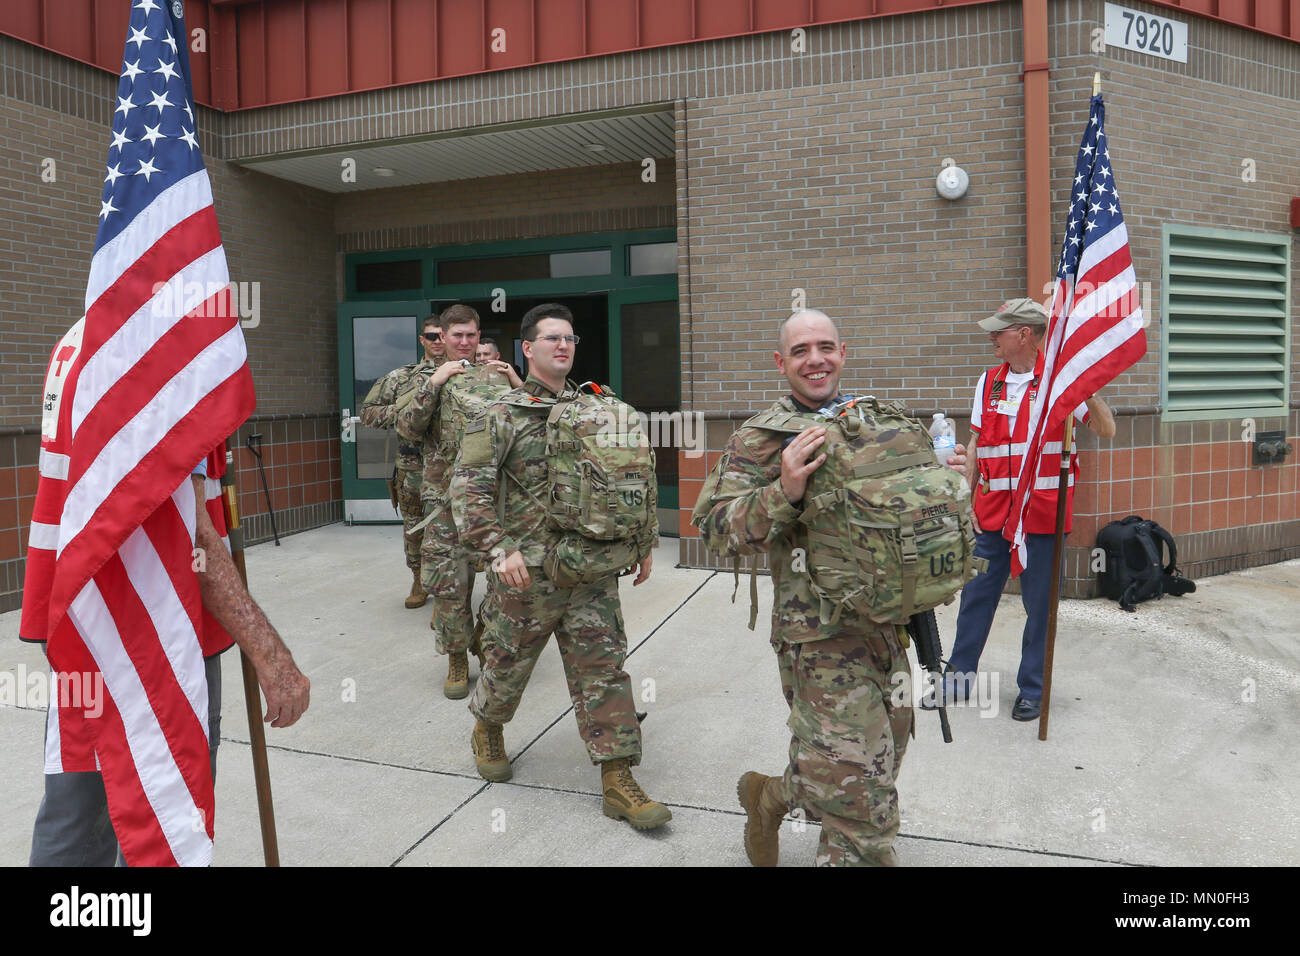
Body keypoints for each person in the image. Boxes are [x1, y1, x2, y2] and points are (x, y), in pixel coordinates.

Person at [24, 319, 310, 866]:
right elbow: (188, 537)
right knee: (158, 798)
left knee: (83, 793)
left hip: (86, 611)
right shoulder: (156, 352)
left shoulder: (86, 333)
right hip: (153, 621)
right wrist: (271, 654)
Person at [691, 309, 968, 867]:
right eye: (800, 351)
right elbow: (714, 527)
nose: (815, 360)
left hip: (889, 625)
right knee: (859, 789)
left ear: (843, 352)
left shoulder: (877, 422)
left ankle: (769, 797)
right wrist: (784, 490)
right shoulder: (762, 439)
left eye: (825, 348)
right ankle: (858, 848)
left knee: (878, 758)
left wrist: (950, 482)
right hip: (816, 637)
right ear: (781, 363)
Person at [451, 302, 669, 830]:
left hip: (590, 570)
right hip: (527, 575)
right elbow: (468, 487)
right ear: (528, 349)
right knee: (507, 666)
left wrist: (642, 541)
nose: (564, 346)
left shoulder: (599, 408)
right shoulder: (500, 414)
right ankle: (488, 727)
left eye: (569, 338)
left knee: (605, 672)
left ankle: (618, 778)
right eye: (552, 339)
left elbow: (629, 480)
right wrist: (498, 549)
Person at [942, 298, 1115, 722]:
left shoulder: (1061, 382)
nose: (991, 337)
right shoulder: (989, 382)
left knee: (1041, 607)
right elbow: (980, 445)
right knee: (976, 597)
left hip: (1042, 518)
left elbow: (1107, 430)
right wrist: (964, 499)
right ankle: (959, 677)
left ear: (1024, 335)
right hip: (992, 516)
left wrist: (1086, 388)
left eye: (999, 330)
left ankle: (1033, 689)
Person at [397, 305, 521, 698]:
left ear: (478, 334)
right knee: (450, 586)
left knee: (509, 585)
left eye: (471, 335)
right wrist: (434, 383)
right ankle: (455, 657)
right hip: (445, 503)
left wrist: (517, 382)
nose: (465, 343)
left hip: (494, 503)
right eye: (456, 336)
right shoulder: (424, 378)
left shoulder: (499, 376)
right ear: (443, 338)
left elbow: (533, 425)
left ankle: (482, 636)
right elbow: (407, 428)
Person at [360, 317, 442, 609]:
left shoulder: (469, 376)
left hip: (454, 469)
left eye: (444, 335)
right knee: (415, 527)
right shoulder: (402, 378)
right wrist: (404, 410)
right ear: (422, 340)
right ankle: (419, 578)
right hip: (413, 469)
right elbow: (368, 413)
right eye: (432, 336)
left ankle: (453, 589)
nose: (438, 341)